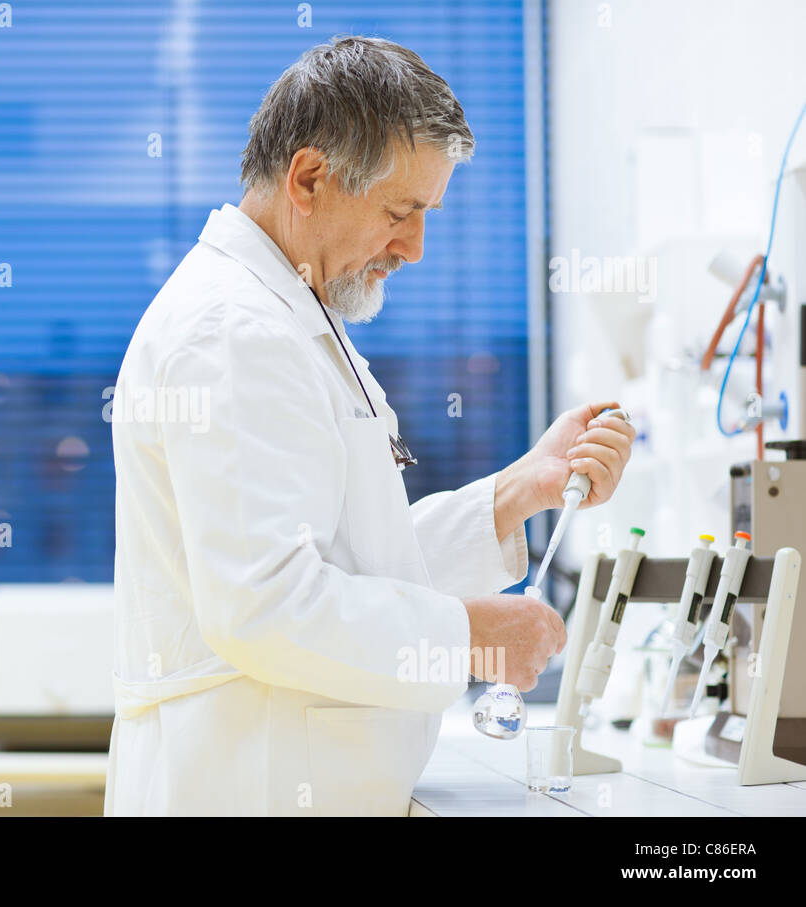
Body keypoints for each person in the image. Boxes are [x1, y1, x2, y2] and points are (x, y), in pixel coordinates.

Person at [104, 35, 634, 816]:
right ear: (310, 177)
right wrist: (471, 638)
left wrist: (515, 493)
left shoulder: (291, 314)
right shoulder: (234, 331)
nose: (414, 247)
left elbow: (348, 564)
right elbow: (267, 606)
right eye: (400, 211)